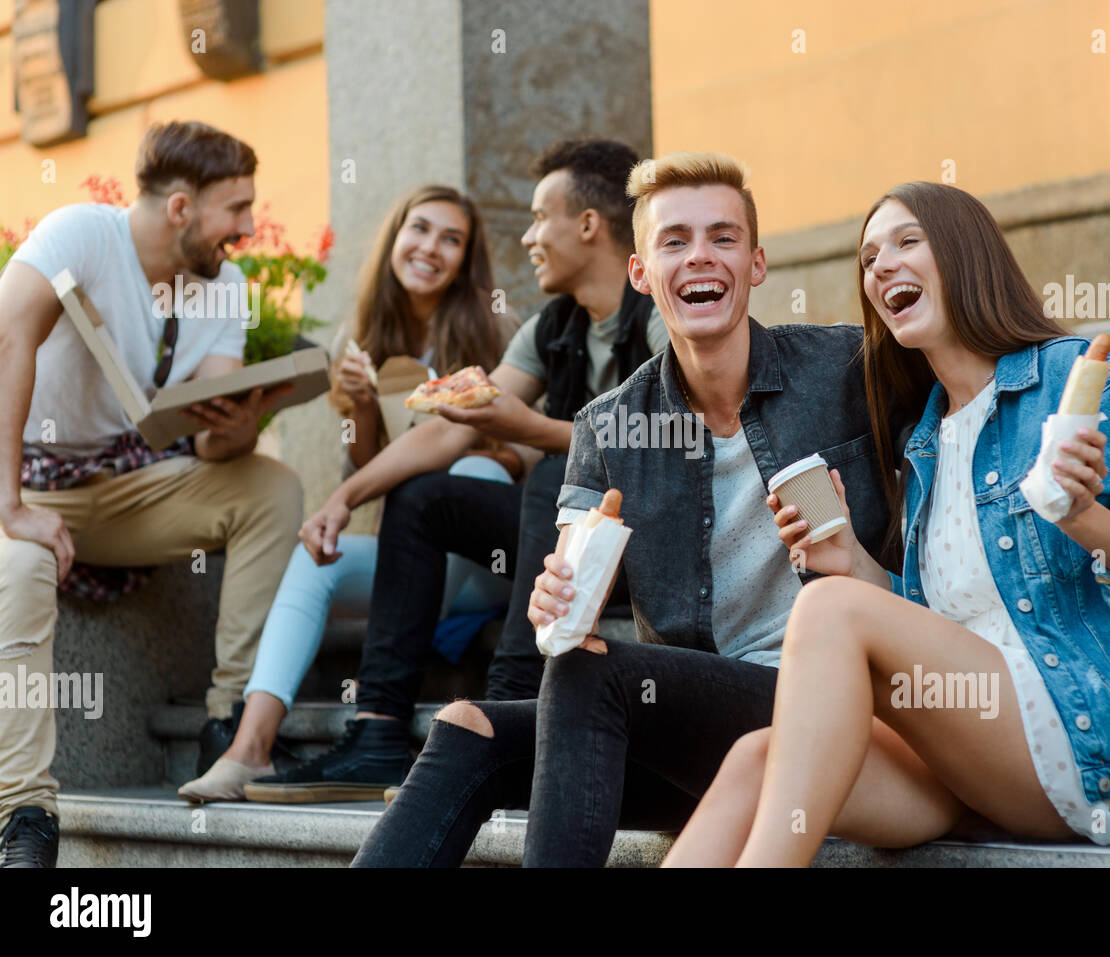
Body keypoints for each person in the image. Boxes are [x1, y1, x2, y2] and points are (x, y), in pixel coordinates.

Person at [351, 150, 900, 867]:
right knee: (465, 725)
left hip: (825, 713)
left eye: (722, 237)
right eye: (675, 240)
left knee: (590, 672)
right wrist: (556, 598)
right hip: (693, 730)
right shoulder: (607, 424)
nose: (700, 256)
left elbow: (974, 356)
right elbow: (576, 583)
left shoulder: (844, 369)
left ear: (756, 264)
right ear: (643, 275)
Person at [660, 182, 1110, 867]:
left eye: (906, 243)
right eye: (868, 259)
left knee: (828, 607)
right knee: (757, 756)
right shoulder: (926, 441)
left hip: (1089, 746)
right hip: (979, 749)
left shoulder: (1076, 380)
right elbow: (947, 620)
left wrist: (1082, 515)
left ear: (964, 254)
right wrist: (854, 563)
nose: (881, 268)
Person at [241, 139, 670, 803]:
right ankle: (379, 729)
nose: (528, 238)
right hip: (564, 557)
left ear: (587, 225)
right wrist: (343, 497)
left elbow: (671, 449)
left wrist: (531, 431)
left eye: (538, 218)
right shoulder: (550, 327)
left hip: (647, 553)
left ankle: (505, 715)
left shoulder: (661, 318)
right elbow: (451, 426)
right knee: (425, 496)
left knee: (556, 472)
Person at [0, 121, 304, 867]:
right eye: (236, 208)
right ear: (179, 207)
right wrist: (7, 506)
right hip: (27, 479)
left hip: (130, 483)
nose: (247, 226)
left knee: (271, 485)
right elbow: (8, 342)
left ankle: (226, 718)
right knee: (22, 570)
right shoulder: (79, 233)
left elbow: (207, 437)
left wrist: (244, 416)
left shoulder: (224, 287)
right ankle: (24, 815)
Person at [177, 184, 520, 803]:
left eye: (451, 239)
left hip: (489, 562)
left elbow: (521, 458)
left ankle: (380, 725)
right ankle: (248, 750)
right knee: (313, 561)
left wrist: (459, 438)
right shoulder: (360, 338)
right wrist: (359, 403)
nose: (430, 248)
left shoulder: (498, 329)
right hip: (417, 565)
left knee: (472, 476)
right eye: (419, 229)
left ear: (467, 259)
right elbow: (360, 461)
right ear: (395, 237)